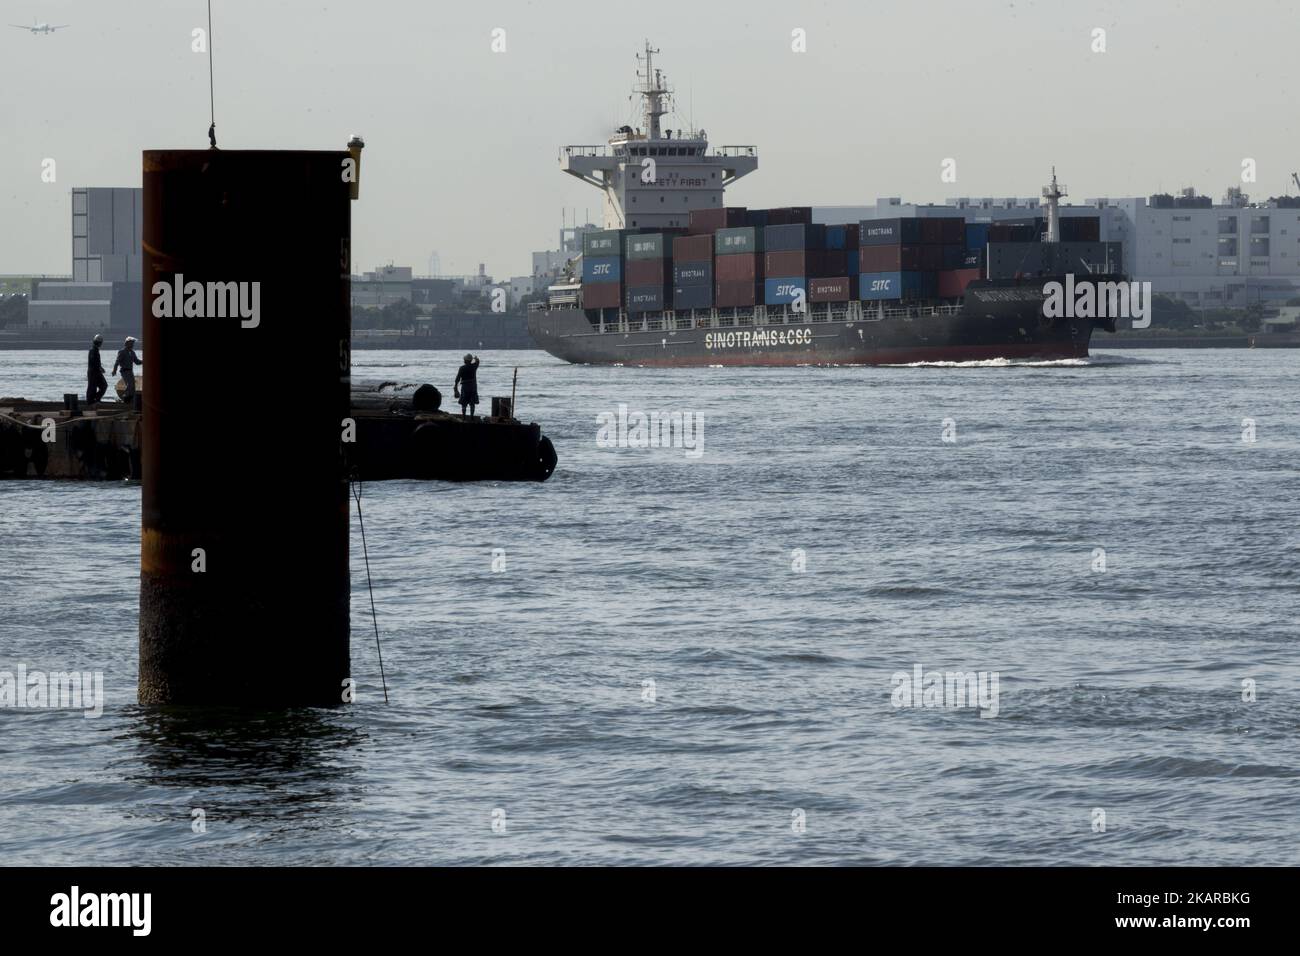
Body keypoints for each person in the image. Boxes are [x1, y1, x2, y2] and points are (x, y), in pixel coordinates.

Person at [113, 336, 142, 401]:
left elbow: (137, 362)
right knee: (130, 384)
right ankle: (124, 397)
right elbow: (117, 361)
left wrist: (143, 361)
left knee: (133, 386)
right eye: (131, 343)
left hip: (130, 371)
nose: (132, 345)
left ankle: (130, 400)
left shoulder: (132, 352)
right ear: (127, 343)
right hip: (124, 371)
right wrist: (114, 370)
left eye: (133, 343)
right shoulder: (122, 352)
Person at [453, 353, 480, 418]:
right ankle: (472, 417)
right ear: (470, 360)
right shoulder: (474, 366)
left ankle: (464, 417)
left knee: (464, 402)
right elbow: (478, 361)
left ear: (465, 360)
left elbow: (457, 379)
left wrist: (456, 387)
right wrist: (475, 358)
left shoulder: (462, 368)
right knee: (472, 403)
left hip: (465, 387)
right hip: (473, 387)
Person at [86, 334, 107, 404]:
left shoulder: (95, 350)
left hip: (96, 372)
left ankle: (95, 399)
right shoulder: (93, 350)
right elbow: (94, 361)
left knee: (103, 386)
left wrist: (100, 367)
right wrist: (99, 368)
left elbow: (95, 362)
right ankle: (90, 401)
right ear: (99, 343)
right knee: (92, 387)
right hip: (93, 372)